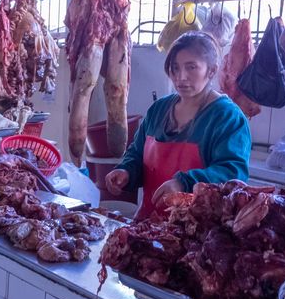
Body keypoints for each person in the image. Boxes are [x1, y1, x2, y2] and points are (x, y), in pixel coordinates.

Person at [105, 31, 251, 220]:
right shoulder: (158, 110)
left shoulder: (227, 117)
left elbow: (233, 173)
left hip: (198, 233)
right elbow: (136, 154)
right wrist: (126, 171)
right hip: (149, 224)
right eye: (175, 68)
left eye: (191, 67)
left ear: (211, 70)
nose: (181, 77)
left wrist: (184, 183)